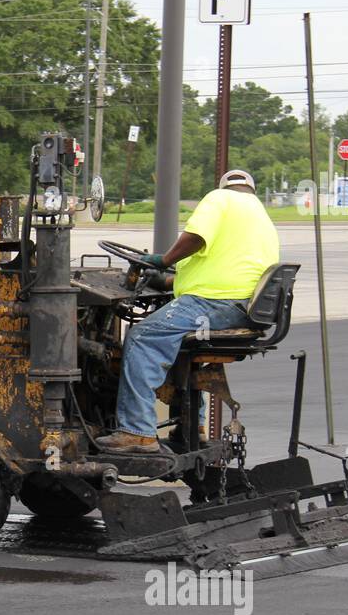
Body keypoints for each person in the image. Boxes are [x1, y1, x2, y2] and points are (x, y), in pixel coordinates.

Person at [95, 169, 280, 453]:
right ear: (250, 189)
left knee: (142, 336)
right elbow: (224, 264)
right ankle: (195, 426)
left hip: (216, 303)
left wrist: (163, 259)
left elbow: (196, 237)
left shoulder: (219, 199)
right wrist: (170, 280)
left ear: (223, 187)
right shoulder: (258, 213)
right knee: (174, 340)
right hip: (240, 305)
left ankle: (136, 432)